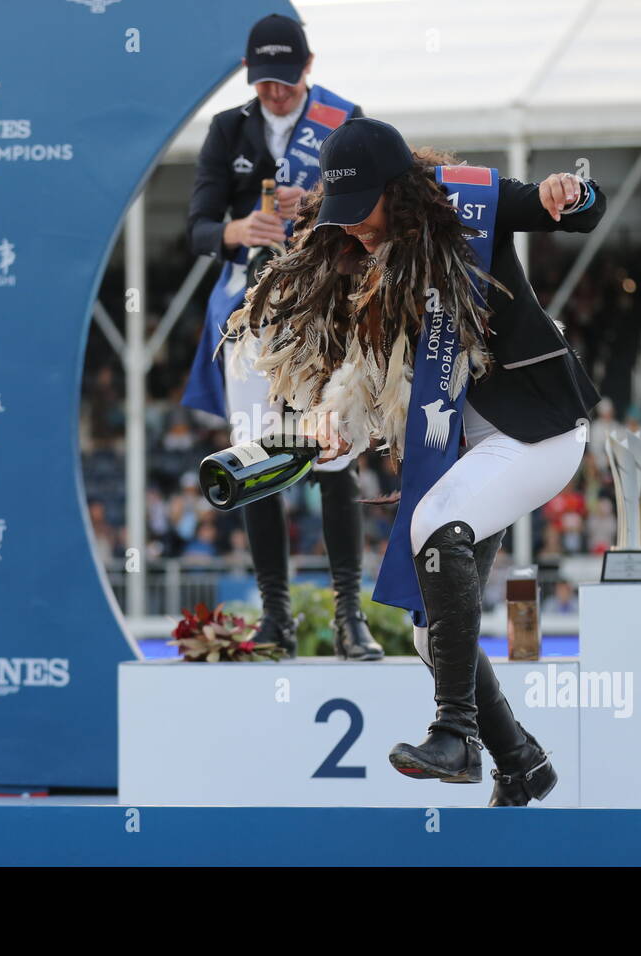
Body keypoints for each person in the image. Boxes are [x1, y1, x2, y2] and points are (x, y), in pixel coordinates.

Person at [227, 118, 606, 805]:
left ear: (398, 192)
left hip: (542, 431)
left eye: (363, 210)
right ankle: (521, 763)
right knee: (433, 642)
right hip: (473, 448)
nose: (354, 229)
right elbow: (364, 378)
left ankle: (455, 736)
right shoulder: (351, 253)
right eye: (340, 214)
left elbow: (582, 213)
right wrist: (336, 426)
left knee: (434, 522)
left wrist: (569, 193)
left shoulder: (468, 207)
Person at [181, 13, 379, 659]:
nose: (276, 94)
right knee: (256, 456)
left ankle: (352, 615)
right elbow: (198, 226)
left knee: (334, 456)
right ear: (249, 76)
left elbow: (382, 209)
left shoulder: (344, 123)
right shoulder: (226, 130)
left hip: (324, 309)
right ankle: (277, 617)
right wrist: (238, 231)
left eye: (286, 83)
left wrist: (319, 204)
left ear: (309, 67)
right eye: (265, 83)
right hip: (250, 318)